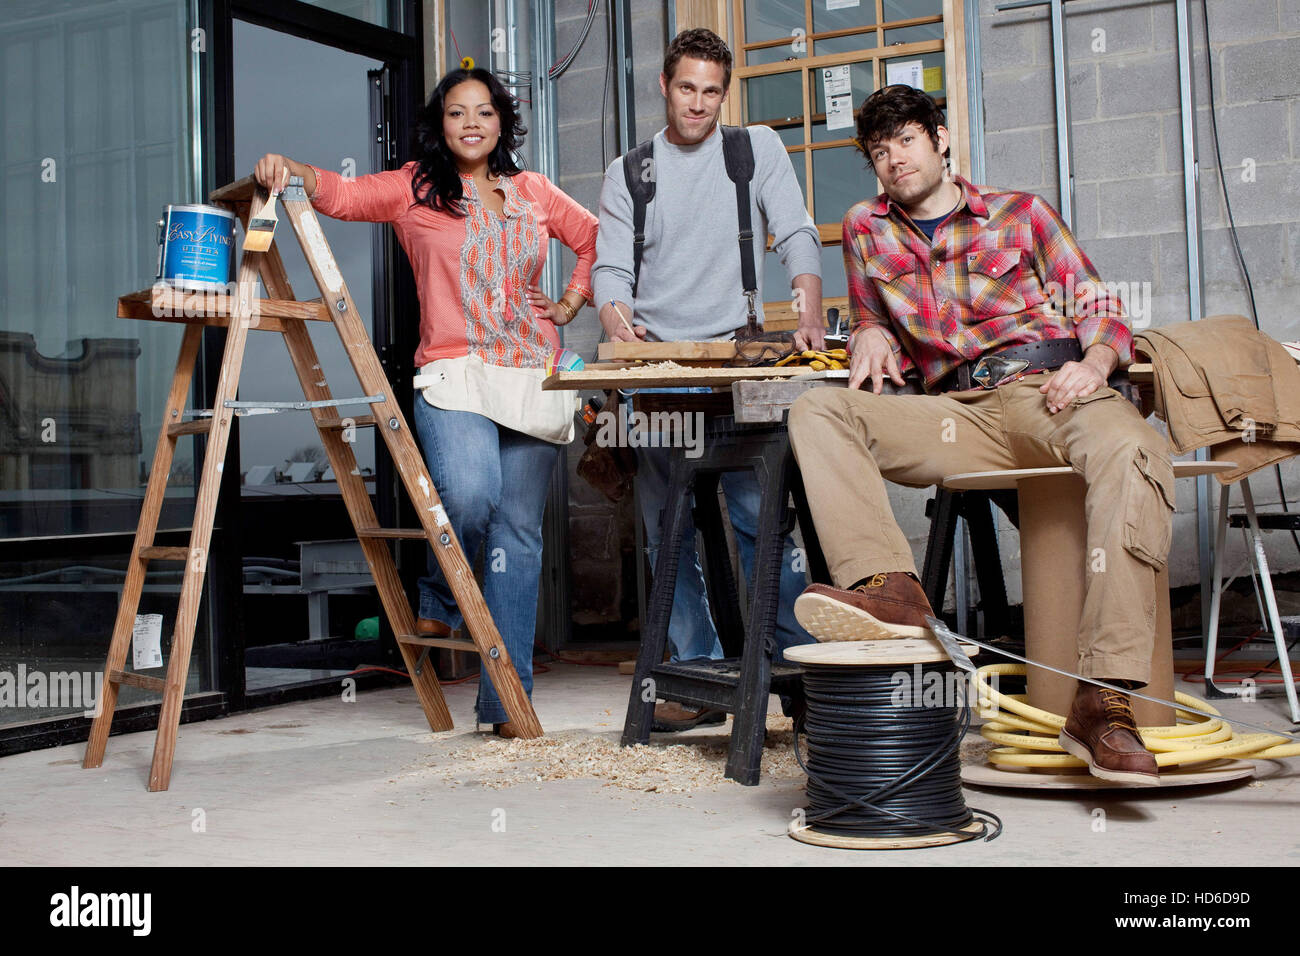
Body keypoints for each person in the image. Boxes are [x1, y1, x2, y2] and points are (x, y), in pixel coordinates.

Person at [787, 84, 1172, 784]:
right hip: (954, 412)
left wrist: (1096, 361)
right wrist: (867, 332)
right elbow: (870, 314)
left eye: (905, 139)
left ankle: (1104, 700)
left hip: (1046, 391)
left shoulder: (1020, 213)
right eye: (879, 150)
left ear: (939, 139)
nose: (893, 158)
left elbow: (1098, 303)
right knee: (818, 412)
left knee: (1135, 449)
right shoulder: (866, 228)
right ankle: (891, 590)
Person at [253, 68, 599, 737]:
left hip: (532, 372)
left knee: (520, 541)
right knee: (470, 496)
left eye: (485, 112)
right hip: (454, 372)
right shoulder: (417, 188)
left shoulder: (533, 192)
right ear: (441, 125)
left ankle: (507, 706)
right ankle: (441, 594)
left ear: (502, 123)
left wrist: (572, 300)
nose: (472, 123)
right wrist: (289, 167)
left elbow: (593, 237)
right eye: (457, 113)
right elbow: (346, 195)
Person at [591, 28, 823, 732]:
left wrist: (809, 307)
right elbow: (609, 271)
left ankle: (803, 674)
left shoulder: (753, 150)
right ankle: (695, 676)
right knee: (667, 530)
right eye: (686, 88)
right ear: (665, 85)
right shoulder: (629, 171)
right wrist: (614, 314)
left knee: (763, 523)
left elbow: (797, 232)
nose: (698, 104)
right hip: (659, 364)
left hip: (738, 362)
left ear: (726, 92)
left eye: (711, 91)